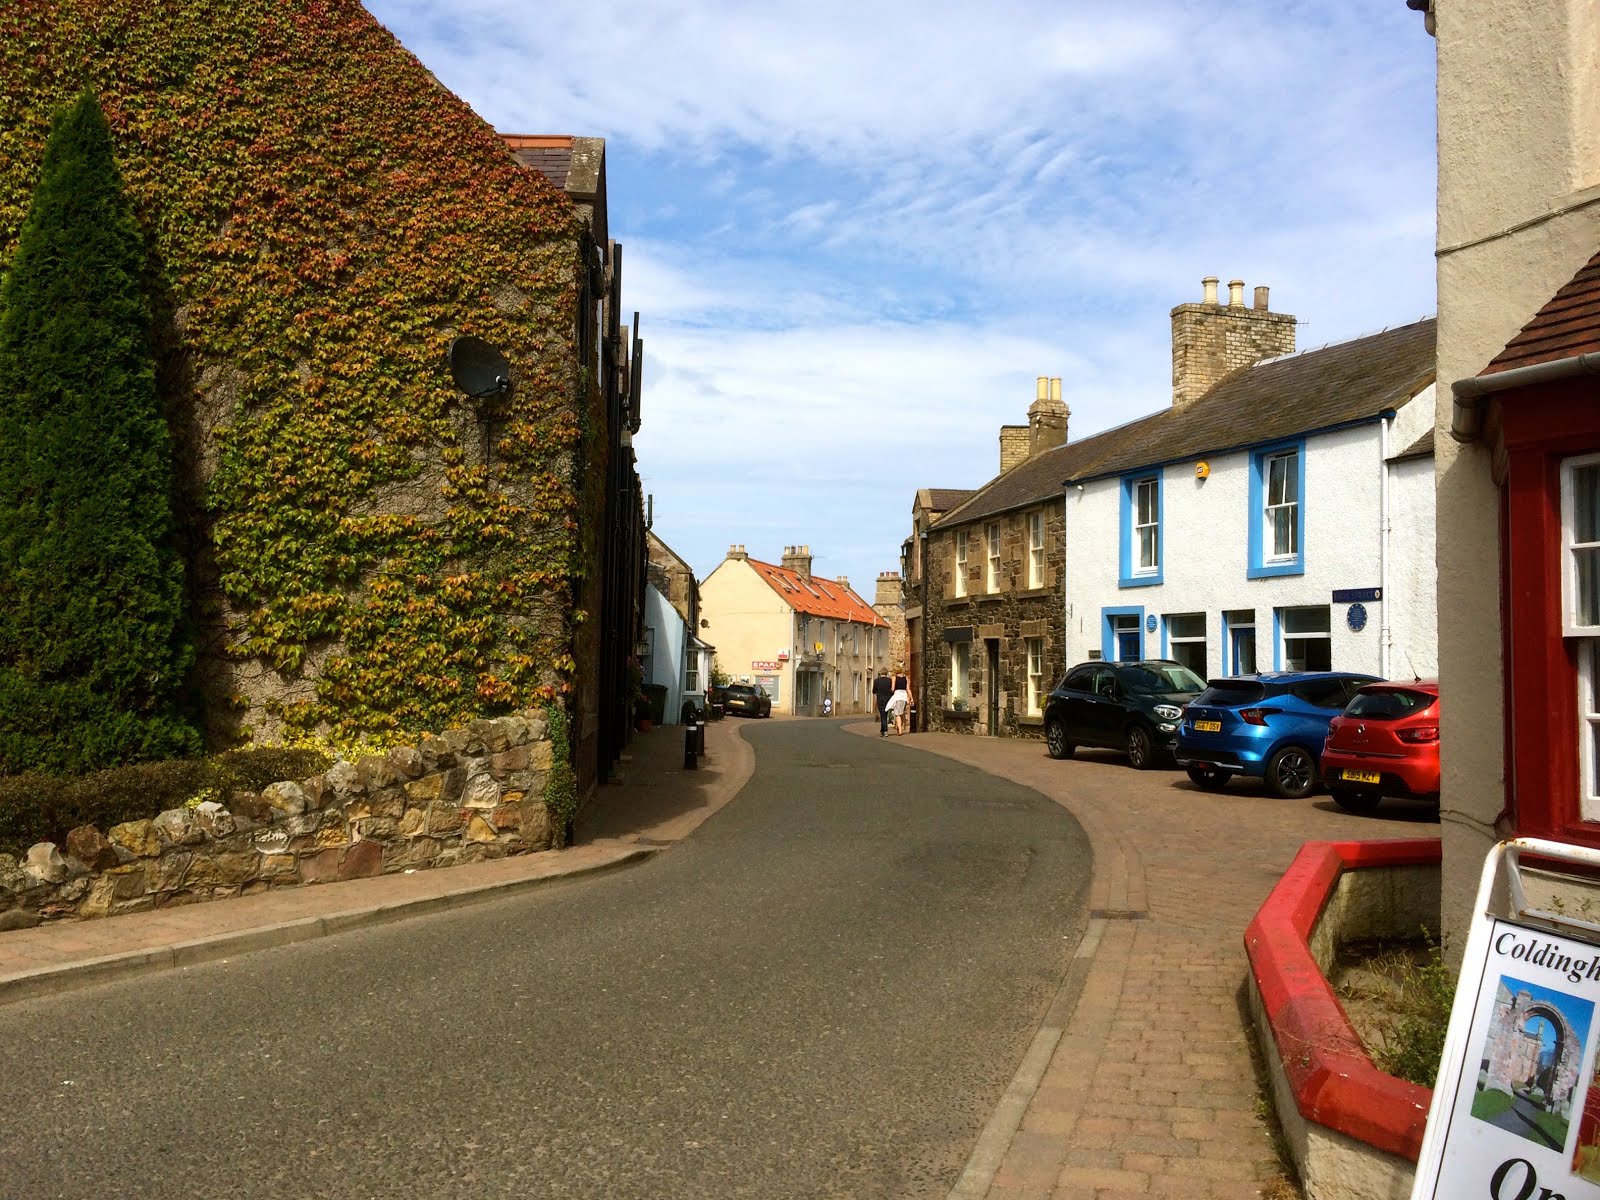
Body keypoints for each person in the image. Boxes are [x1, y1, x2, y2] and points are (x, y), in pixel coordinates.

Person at [889, 665, 911, 735]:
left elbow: (892, 688)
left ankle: (900, 730)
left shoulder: (894, 677)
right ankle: (899, 727)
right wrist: (911, 698)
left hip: (898, 695)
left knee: (897, 714)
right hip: (904, 696)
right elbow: (908, 689)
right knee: (901, 713)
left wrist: (890, 692)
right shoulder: (906, 678)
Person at [872, 668, 893, 736]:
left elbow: (874, 691)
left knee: (883, 715)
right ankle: (882, 730)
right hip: (888, 700)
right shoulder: (890, 681)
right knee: (885, 715)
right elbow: (892, 690)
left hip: (880, 700)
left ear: (880, 673)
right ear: (886, 673)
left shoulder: (876, 681)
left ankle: (885, 731)